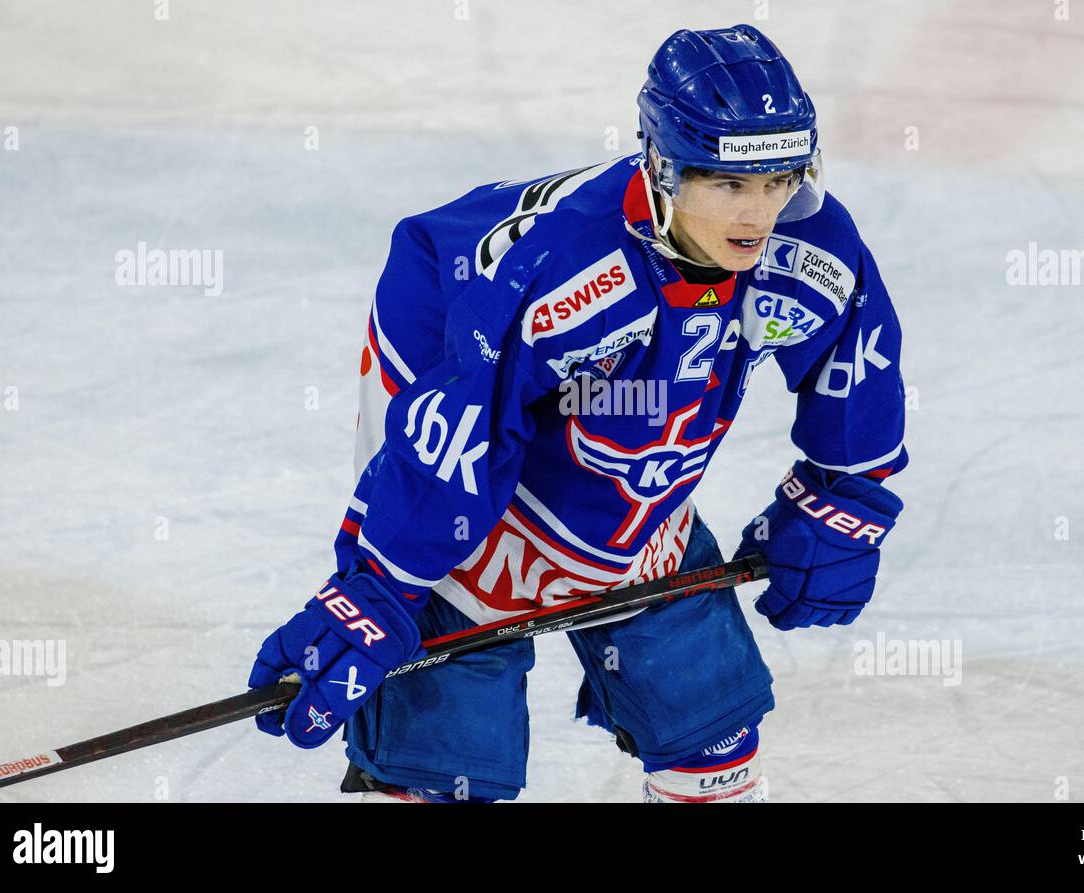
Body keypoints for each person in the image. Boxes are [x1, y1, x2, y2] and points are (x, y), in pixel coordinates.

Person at [248, 23, 908, 803]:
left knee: (707, 725)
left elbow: (854, 353)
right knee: (449, 732)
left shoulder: (807, 243)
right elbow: (468, 424)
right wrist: (380, 585)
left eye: (778, 179)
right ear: (663, 168)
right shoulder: (572, 273)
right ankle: (431, 722)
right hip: (452, 339)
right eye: (728, 184)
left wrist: (842, 494)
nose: (759, 212)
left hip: (615, 391)